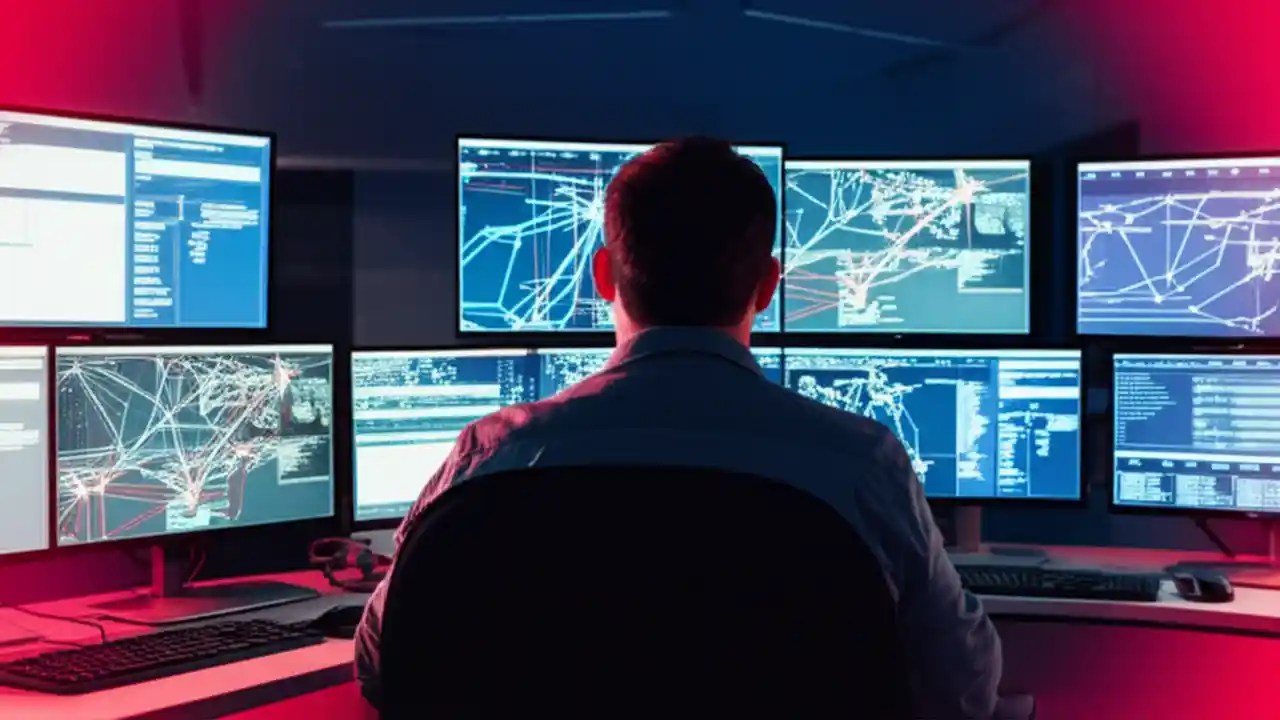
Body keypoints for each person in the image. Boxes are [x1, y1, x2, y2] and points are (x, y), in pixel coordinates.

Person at [355, 137, 1006, 718]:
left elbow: (384, 664)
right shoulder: (860, 466)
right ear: (768, 285)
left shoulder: (488, 456)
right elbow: (961, 692)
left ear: (604, 275)